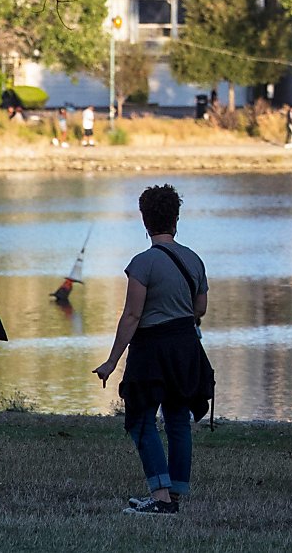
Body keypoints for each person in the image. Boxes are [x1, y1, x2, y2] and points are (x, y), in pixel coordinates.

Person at [95, 184, 214, 516]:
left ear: (145, 221)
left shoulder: (142, 263)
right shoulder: (194, 259)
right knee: (177, 419)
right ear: (176, 219)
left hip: (152, 349)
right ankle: (174, 493)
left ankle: (159, 497)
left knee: (141, 419)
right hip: (185, 346)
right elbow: (200, 308)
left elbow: (133, 314)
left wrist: (111, 360)